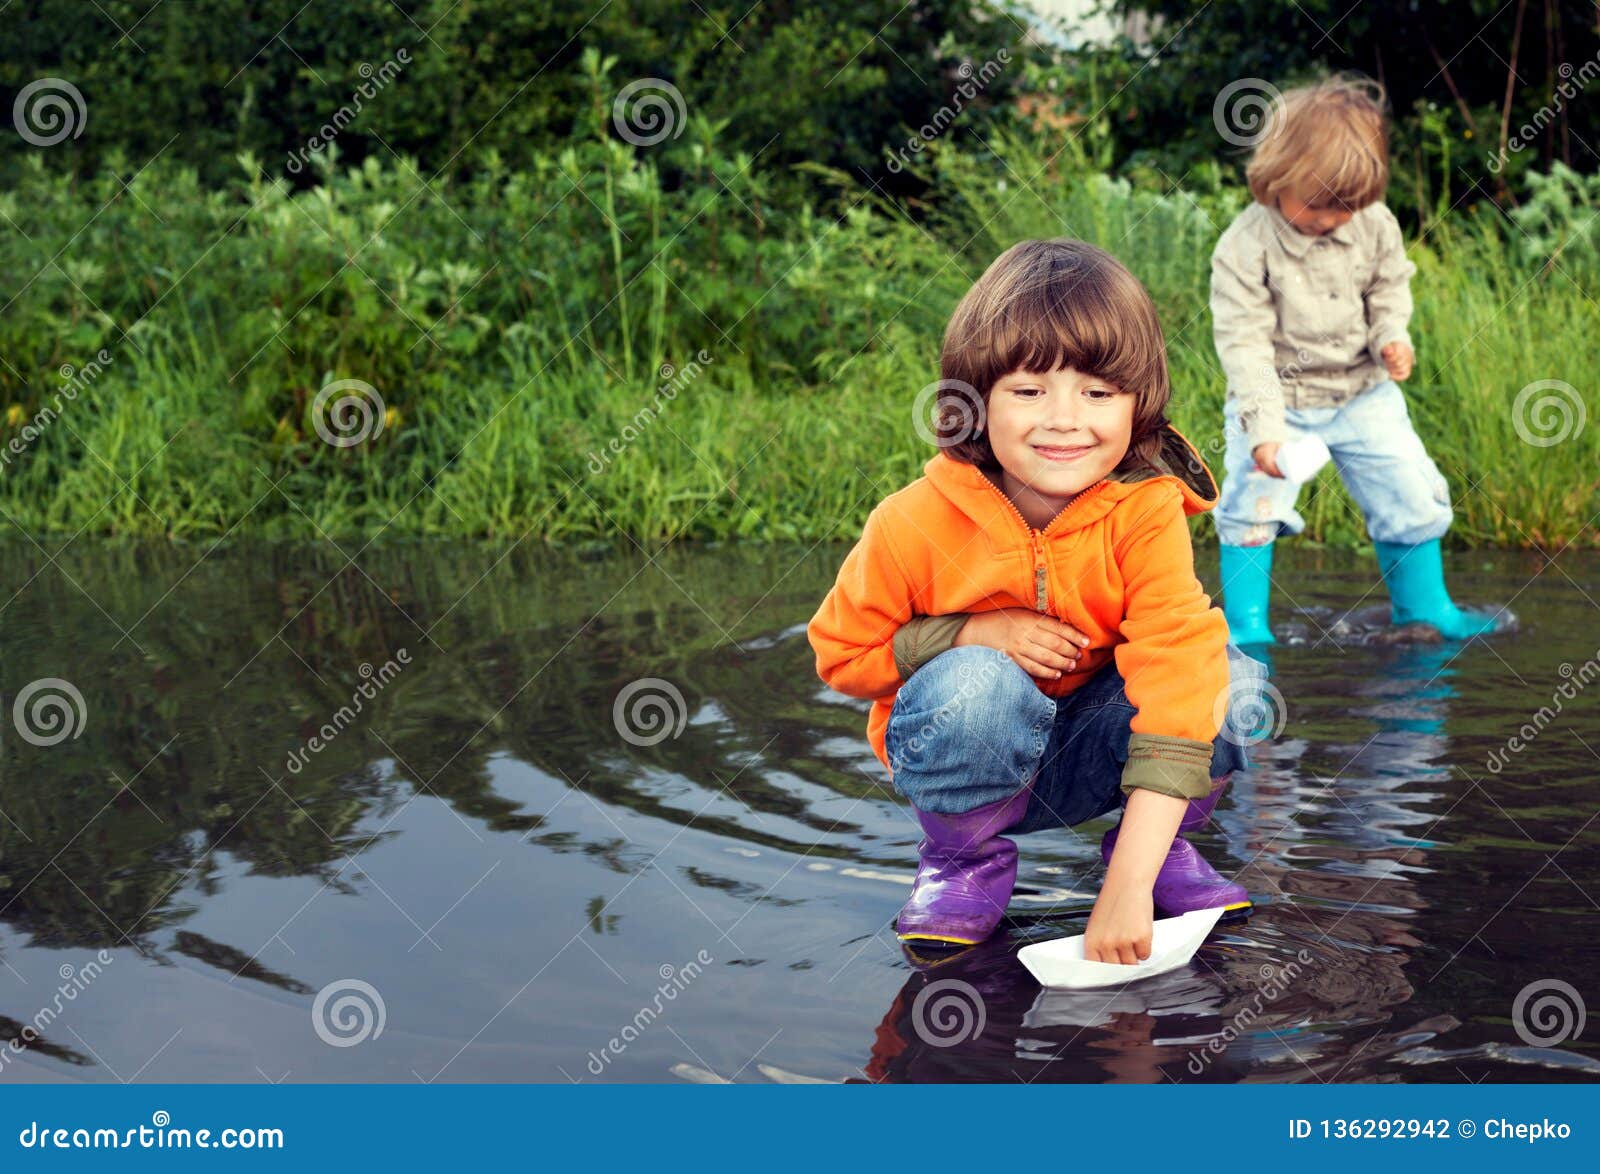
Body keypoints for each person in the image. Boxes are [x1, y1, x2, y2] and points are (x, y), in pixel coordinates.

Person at [807, 238, 1264, 965]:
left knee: (1232, 681)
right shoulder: (911, 521)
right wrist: (965, 635)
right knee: (974, 682)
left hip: (1095, 756)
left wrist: (1125, 886)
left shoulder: (1144, 512)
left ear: (1139, 406)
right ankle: (963, 863)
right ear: (975, 402)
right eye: (1028, 391)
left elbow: (1176, 670)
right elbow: (841, 656)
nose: (1064, 420)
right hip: (972, 756)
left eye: (1098, 392)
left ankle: (1156, 849)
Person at [1210, 75, 1497, 645]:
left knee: (1410, 490)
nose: (1332, 218)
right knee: (1251, 501)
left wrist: (1393, 334)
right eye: (1317, 205)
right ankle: (1245, 628)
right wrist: (1266, 434)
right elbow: (1246, 346)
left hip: (1364, 392)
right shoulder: (1244, 248)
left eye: (1349, 206)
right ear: (1274, 179)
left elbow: (1390, 287)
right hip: (1278, 401)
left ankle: (1425, 609)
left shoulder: (1375, 224)